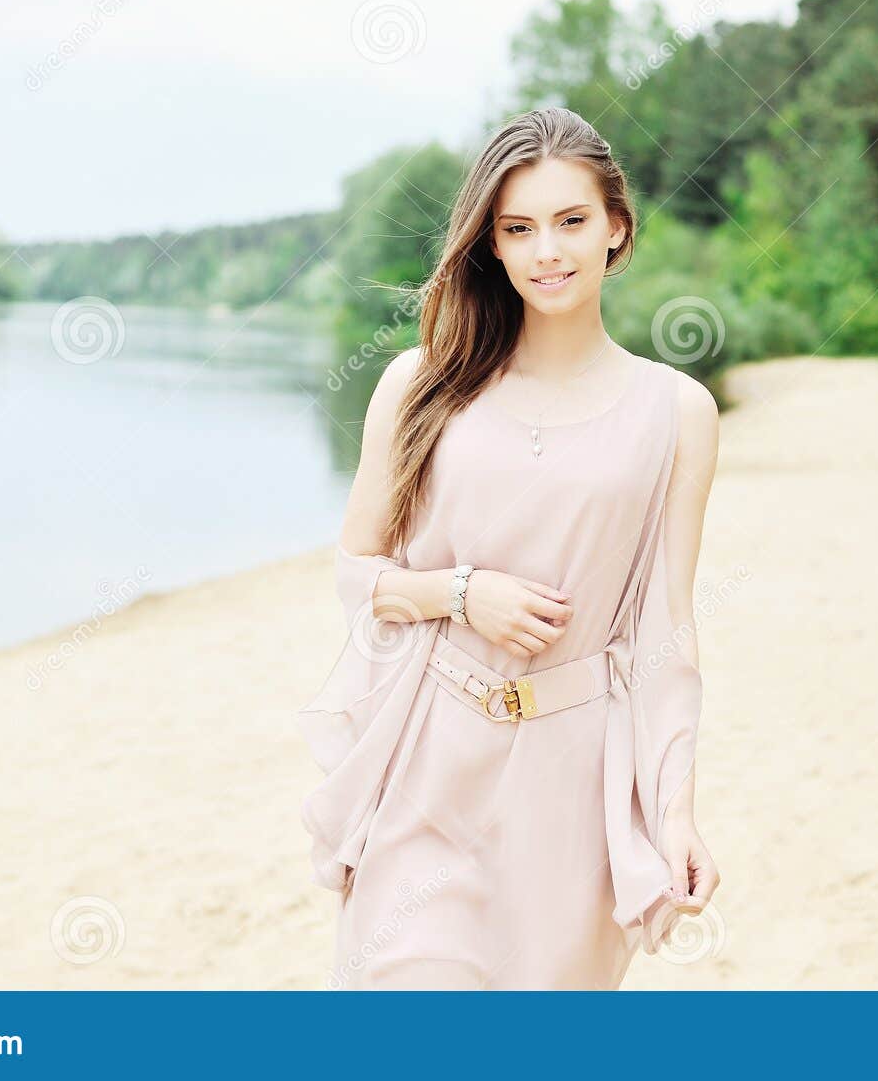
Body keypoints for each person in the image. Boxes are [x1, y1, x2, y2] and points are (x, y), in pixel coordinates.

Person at [297, 106, 720, 989]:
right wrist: (459, 592)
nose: (547, 252)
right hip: (429, 761)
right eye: (518, 229)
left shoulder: (675, 411)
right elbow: (358, 572)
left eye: (571, 221)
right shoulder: (420, 385)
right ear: (489, 244)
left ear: (617, 227)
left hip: (570, 785)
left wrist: (674, 809)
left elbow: (665, 635)